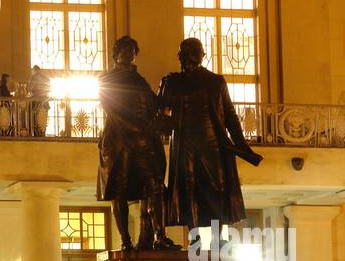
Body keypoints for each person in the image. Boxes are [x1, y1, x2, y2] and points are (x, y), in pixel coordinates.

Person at [158, 37, 263, 242]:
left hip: (212, 142)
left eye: (195, 52)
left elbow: (230, 116)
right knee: (188, 187)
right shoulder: (172, 82)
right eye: (186, 53)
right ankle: (194, 235)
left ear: (201, 55)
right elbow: (160, 113)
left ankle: (218, 236)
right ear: (181, 56)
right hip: (184, 142)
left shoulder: (215, 82)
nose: (190, 57)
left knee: (216, 186)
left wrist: (241, 145)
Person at [96, 35, 168, 249]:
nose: (129, 54)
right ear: (116, 53)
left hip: (144, 140)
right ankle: (125, 239)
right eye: (125, 50)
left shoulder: (139, 80)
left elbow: (154, 103)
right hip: (119, 140)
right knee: (119, 190)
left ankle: (159, 236)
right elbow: (112, 110)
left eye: (132, 51)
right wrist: (136, 128)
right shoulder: (106, 78)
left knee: (155, 187)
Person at [28, 64, 51, 136]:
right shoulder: (46, 78)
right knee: (43, 120)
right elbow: (49, 89)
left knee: (35, 120)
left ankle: (36, 134)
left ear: (34, 70)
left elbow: (29, 89)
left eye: (32, 71)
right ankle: (43, 133)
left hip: (36, 101)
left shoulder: (34, 77)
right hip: (45, 102)